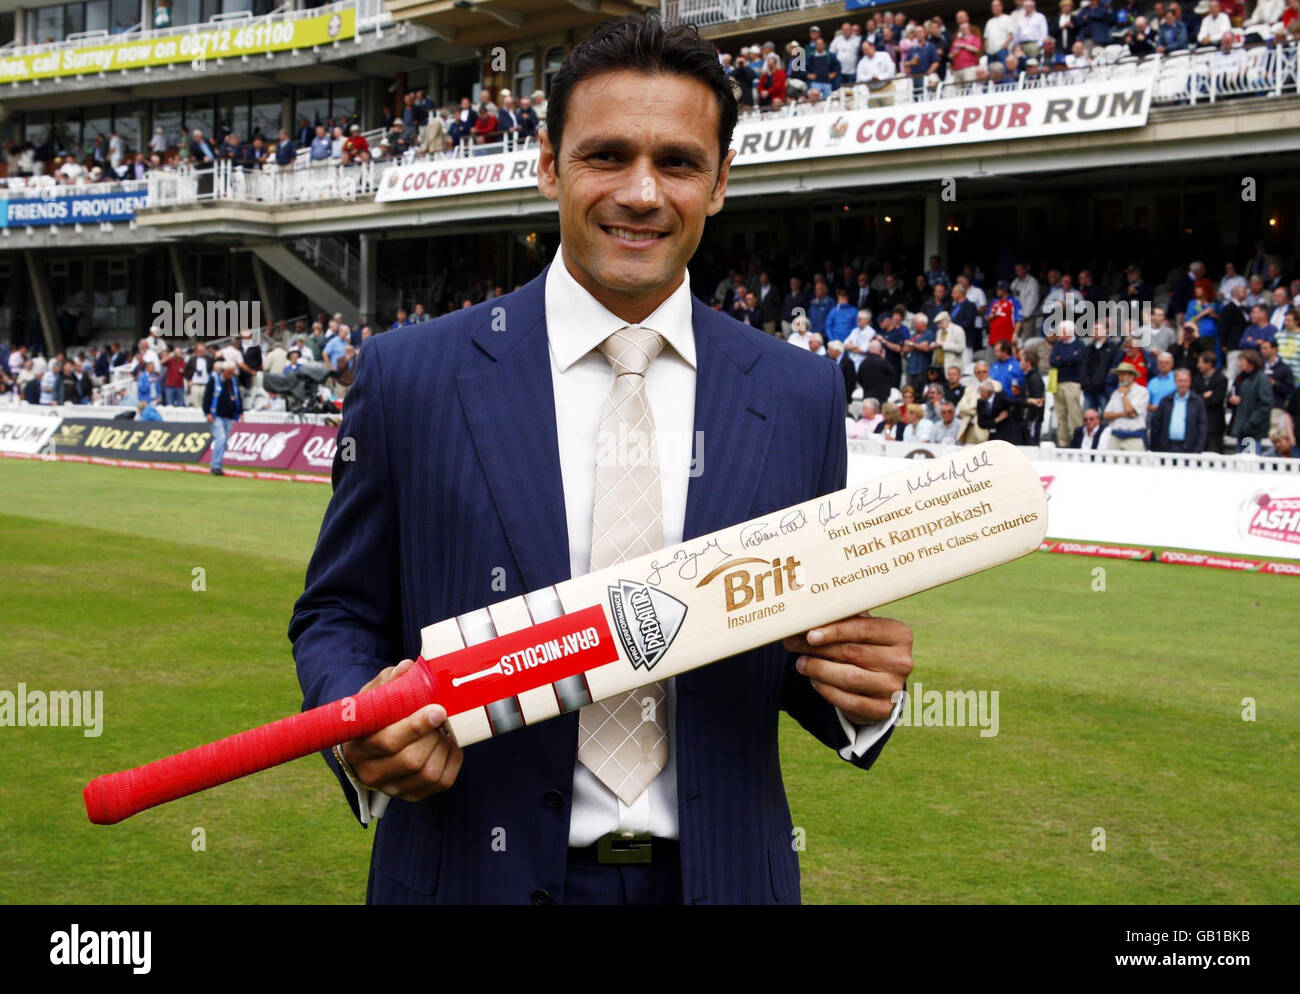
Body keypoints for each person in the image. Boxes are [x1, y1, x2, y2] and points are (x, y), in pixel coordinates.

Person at [290, 15, 913, 907]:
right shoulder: (411, 376)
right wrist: (361, 721)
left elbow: (795, 642)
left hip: (724, 884)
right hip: (467, 878)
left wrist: (859, 691)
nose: (643, 192)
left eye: (680, 163)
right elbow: (339, 612)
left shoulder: (800, 392)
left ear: (722, 182)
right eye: (607, 155)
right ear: (549, 165)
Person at [1149, 368, 1208, 452]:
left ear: (1190, 382)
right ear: (1175, 382)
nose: (1183, 384)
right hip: (1167, 448)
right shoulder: (1166, 400)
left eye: (1185, 381)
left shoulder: (1197, 401)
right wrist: (1157, 446)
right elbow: (1157, 424)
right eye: (1180, 381)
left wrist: (1198, 449)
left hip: (1190, 449)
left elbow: (1202, 426)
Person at [1229, 348, 1273, 451]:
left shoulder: (1261, 379)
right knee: (1240, 462)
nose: (1239, 363)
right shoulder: (1240, 378)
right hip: (1241, 427)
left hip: (1253, 430)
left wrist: (1251, 422)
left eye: (1242, 361)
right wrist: (1230, 399)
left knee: (1251, 461)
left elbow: (1265, 404)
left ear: (1251, 362)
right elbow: (1232, 392)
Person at [203, 360, 242, 476]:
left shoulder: (233, 382)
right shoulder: (214, 380)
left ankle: (218, 464)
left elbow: (237, 397)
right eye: (229, 373)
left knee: (224, 441)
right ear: (223, 371)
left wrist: (240, 412)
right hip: (216, 414)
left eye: (232, 373)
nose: (230, 375)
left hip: (229, 415)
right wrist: (207, 413)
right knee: (221, 438)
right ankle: (215, 465)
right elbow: (207, 397)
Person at [1103, 361, 1150, 450]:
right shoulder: (1116, 393)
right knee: (1111, 463)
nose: (1121, 378)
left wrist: (1123, 395)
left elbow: (1131, 412)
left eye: (1124, 375)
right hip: (1116, 436)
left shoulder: (1141, 391)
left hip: (1134, 437)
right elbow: (1106, 415)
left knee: (1136, 463)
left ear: (1132, 376)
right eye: (1119, 375)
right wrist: (1123, 414)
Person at [976, 378, 1023, 444]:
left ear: (990, 392)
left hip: (1007, 436)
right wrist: (997, 419)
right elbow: (981, 423)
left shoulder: (1000, 397)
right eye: (980, 391)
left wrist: (1030, 401)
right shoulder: (980, 402)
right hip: (992, 436)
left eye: (982, 391)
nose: (980, 394)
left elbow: (1014, 402)